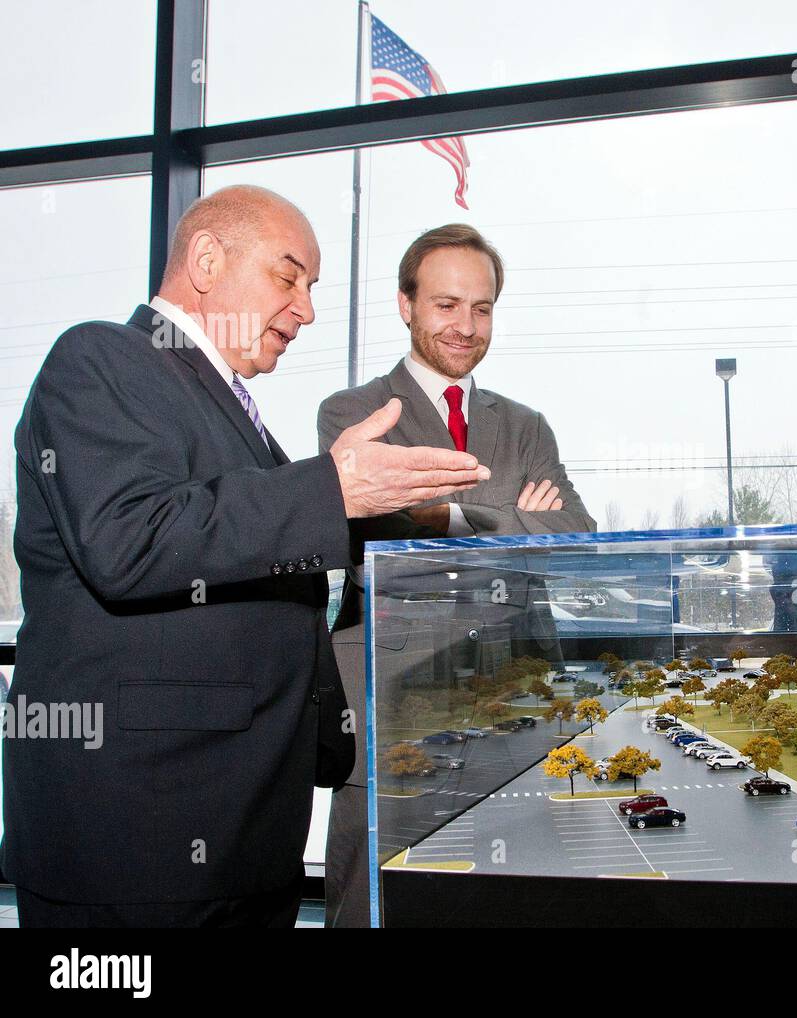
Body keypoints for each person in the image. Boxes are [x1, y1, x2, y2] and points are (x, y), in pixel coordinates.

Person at [3, 186, 490, 927]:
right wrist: (335, 487)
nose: (306, 308)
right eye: (287, 276)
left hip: (247, 836)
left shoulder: (234, 411)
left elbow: (248, 542)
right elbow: (128, 539)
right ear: (205, 259)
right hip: (141, 847)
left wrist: (406, 519)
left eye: (313, 287)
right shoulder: (100, 357)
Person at [317, 223, 596, 927]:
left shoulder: (527, 424)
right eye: (446, 304)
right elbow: (377, 535)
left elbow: (577, 534)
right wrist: (508, 514)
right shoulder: (354, 413)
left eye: (482, 308)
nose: (466, 326)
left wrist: (452, 514)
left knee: (508, 897)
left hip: (515, 693)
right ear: (405, 305)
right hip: (390, 699)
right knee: (371, 904)